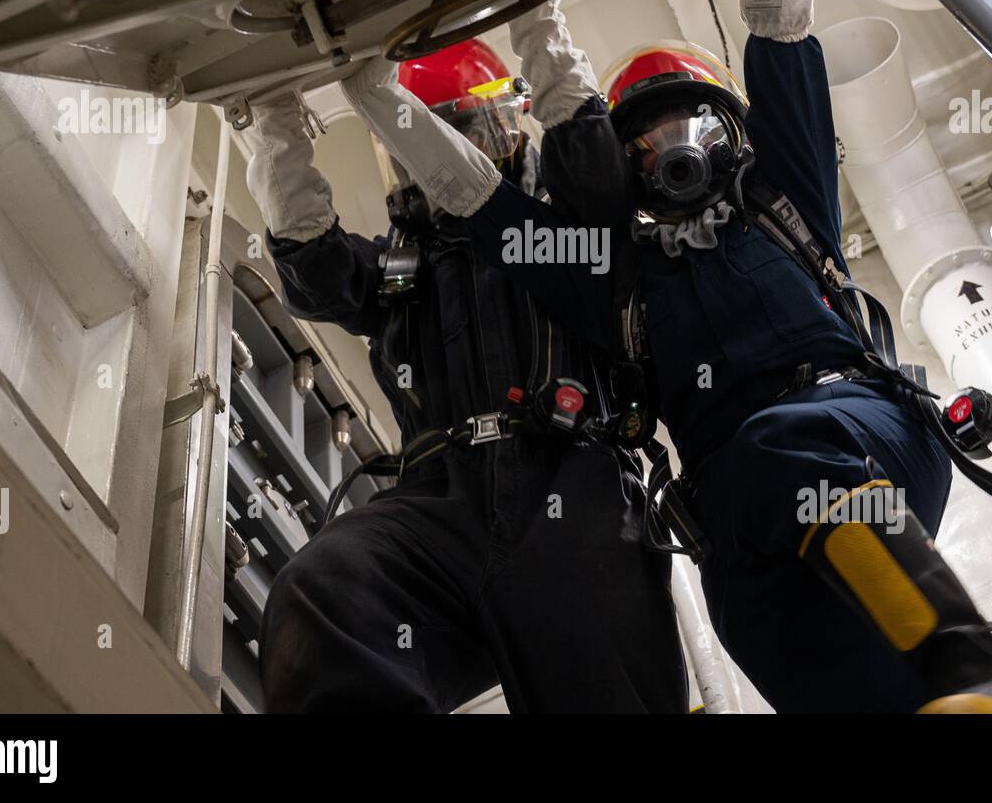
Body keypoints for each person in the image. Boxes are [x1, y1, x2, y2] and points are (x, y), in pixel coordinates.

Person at [358, 0, 992, 714]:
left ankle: (971, 676)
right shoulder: (614, 279)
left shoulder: (787, 205)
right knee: (757, 620)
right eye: (645, 145)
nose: (673, 154)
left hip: (859, 437)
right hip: (735, 520)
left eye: (694, 130)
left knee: (784, 453)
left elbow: (778, 28)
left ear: (733, 135)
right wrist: (375, 99)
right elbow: (481, 205)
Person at [242, 38, 687, 714]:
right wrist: (275, 123)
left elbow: (600, 200)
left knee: (606, 666)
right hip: (435, 506)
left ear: (507, 124)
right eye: (426, 133)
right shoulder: (399, 269)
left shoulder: (563, 233)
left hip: (569, 482)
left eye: (468, 126)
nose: (447, 151)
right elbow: (318, 273)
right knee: (325, 587)